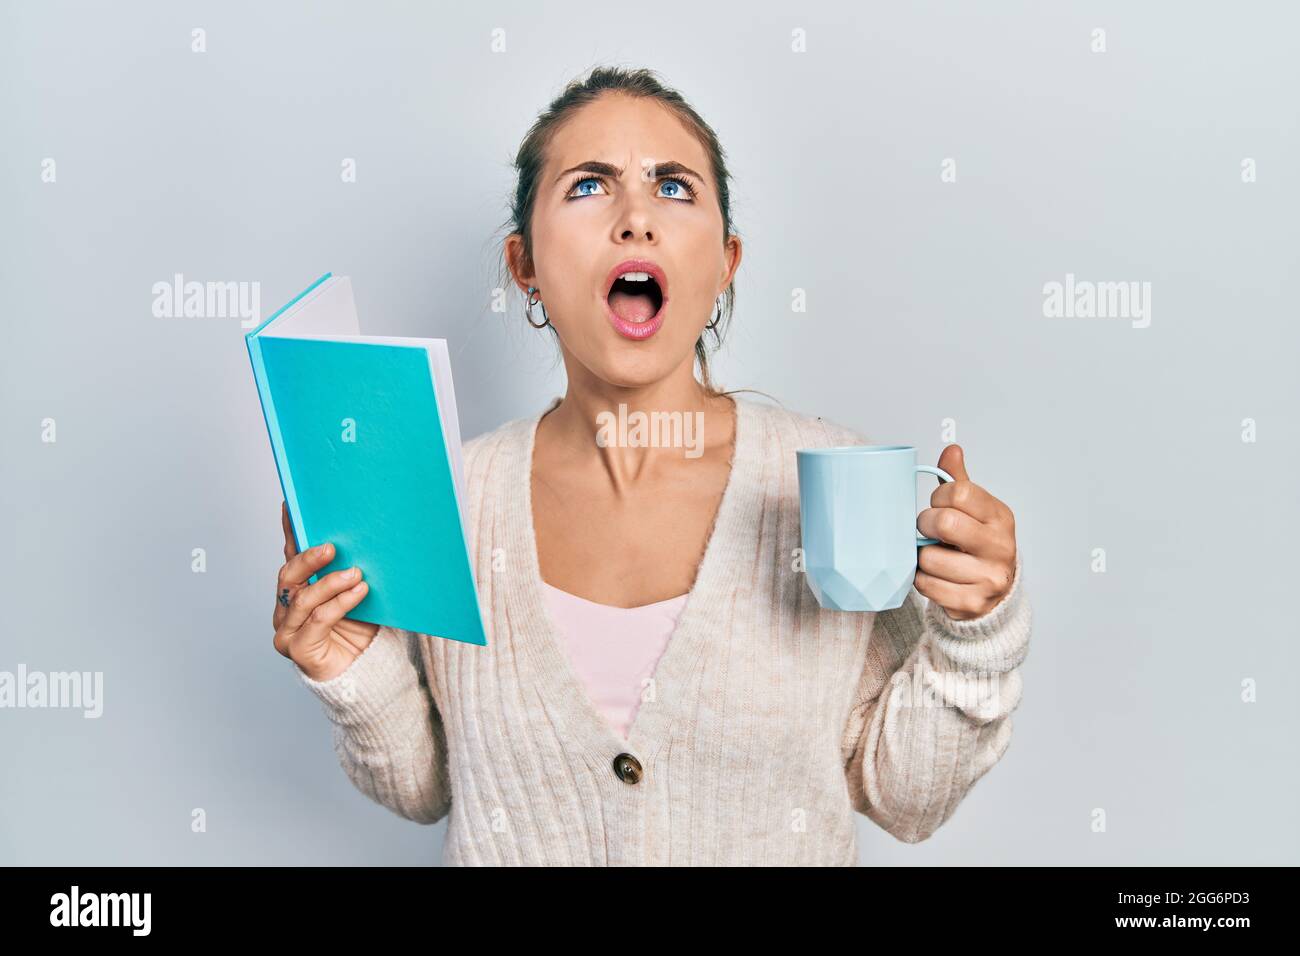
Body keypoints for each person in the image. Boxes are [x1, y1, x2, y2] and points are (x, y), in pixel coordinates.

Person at [270, 66, 1030, 866]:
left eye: (673, 187)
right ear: (524, 264)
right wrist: (349, 663)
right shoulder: (448, 497)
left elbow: (908, 798)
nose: (636, 218)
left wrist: (979, 633)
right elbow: (426, 786)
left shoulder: (833, 483)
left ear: (725, 262)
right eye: (590, 185)